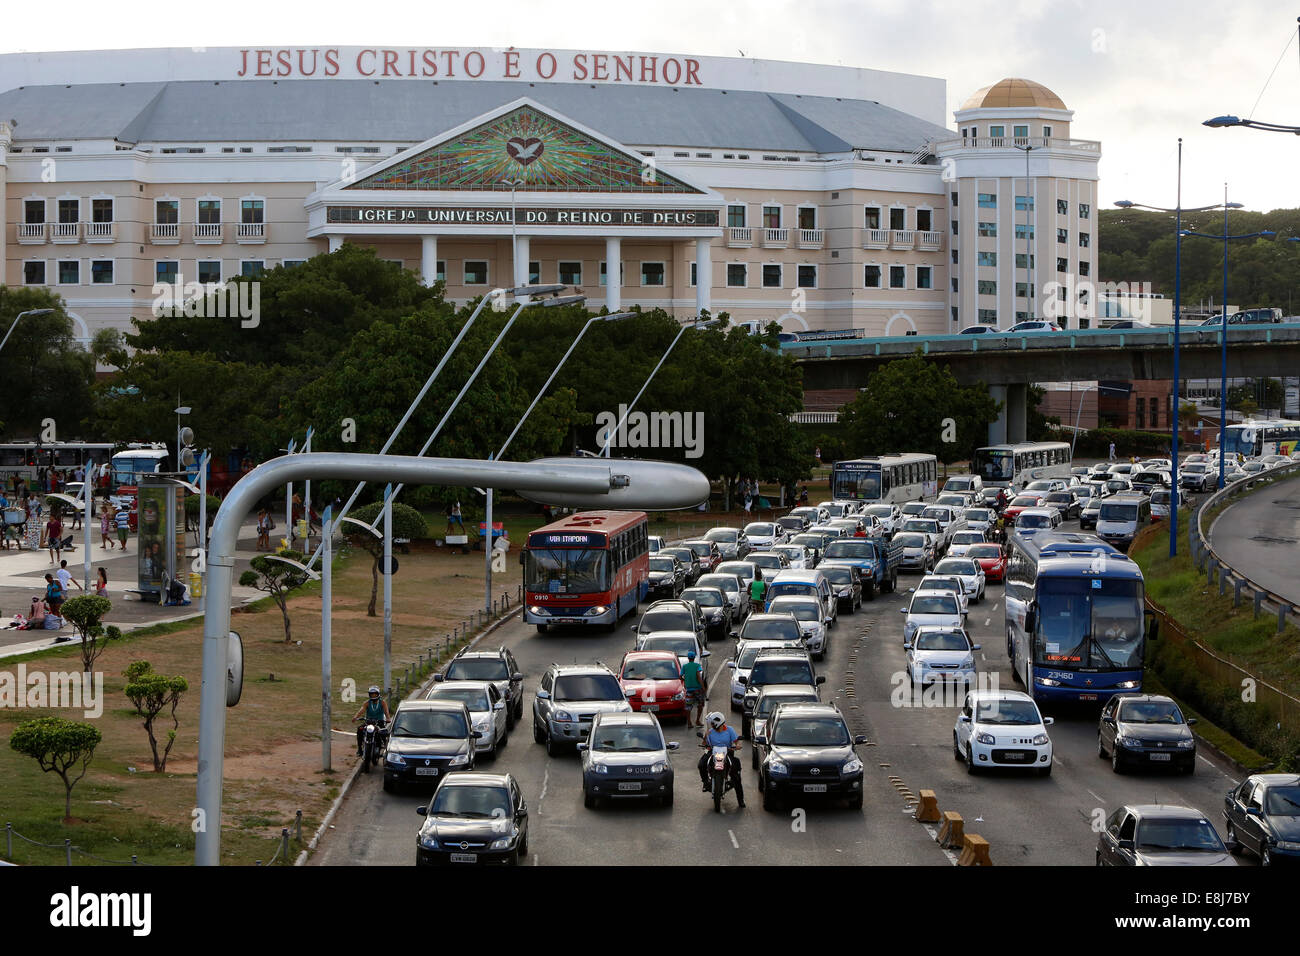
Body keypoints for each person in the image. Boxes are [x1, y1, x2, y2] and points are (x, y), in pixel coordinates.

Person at [697, 712, 745, 808]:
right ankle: (706, 783)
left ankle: (740, 800)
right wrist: (705, 736)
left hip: (727, 752)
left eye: (713, 724)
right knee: (701, 764)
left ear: (718, 722)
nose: (712, 726)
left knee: (736, 774)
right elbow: (704, 743)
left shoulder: (730, 730)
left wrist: (737, 745)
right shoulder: (710, 731)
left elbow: (736, 741)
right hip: (713, 752)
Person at [353, 685, 390, 755]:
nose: (373, 696)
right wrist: (356, 717)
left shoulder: (382, 702)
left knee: (383, 733)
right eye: (372, 694)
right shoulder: (367, 703)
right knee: (360, 730)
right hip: (368, 721)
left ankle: (386, 750)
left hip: (379, 721)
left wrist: (388, 718)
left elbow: (386, 711)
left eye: (375, 694)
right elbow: (361, 710)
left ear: (378, 694)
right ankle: (360, 749)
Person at [682, 650, 706, 728]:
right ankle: (697, 721)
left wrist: (686, 681)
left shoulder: (684, 667)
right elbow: (699, 676)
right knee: (700, 704)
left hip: (689, 689)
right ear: (694, 658)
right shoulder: (697, 666)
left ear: (688, 658)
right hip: (697, 689)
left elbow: (681, 676)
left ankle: (689, 722)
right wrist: (703, 687)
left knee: (688, 706)